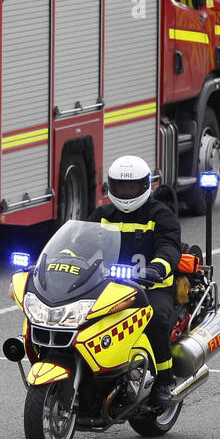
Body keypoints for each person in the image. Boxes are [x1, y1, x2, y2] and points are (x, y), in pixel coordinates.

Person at [88, 155, 181, 408]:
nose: (126, 192)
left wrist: (156, 270)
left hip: (152, 287)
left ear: (144, 185)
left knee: (156, 320)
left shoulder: (160, 215)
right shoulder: (103, 214)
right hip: (108, 287)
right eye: (121, 187)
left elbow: (169, 248)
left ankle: (164, 381)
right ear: (111, 186)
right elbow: (80, 243)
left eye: (131, 187)